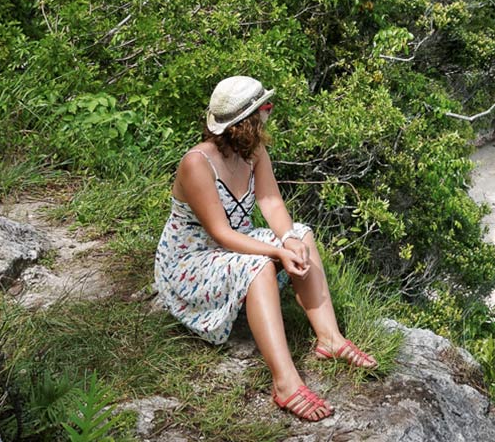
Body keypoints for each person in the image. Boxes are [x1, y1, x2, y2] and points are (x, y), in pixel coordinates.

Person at [154, 75, 377, 422]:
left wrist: (287, 240)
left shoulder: (254, 153)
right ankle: (285, 382)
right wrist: (274, 253)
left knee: (301, 235)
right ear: (246, 121)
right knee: (256, 265)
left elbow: (271, 201)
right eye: (266, 109)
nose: (270, 114)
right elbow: (220, 232)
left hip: (232, 248)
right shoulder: (197, 163)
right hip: (192, 262)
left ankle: (329, 337)